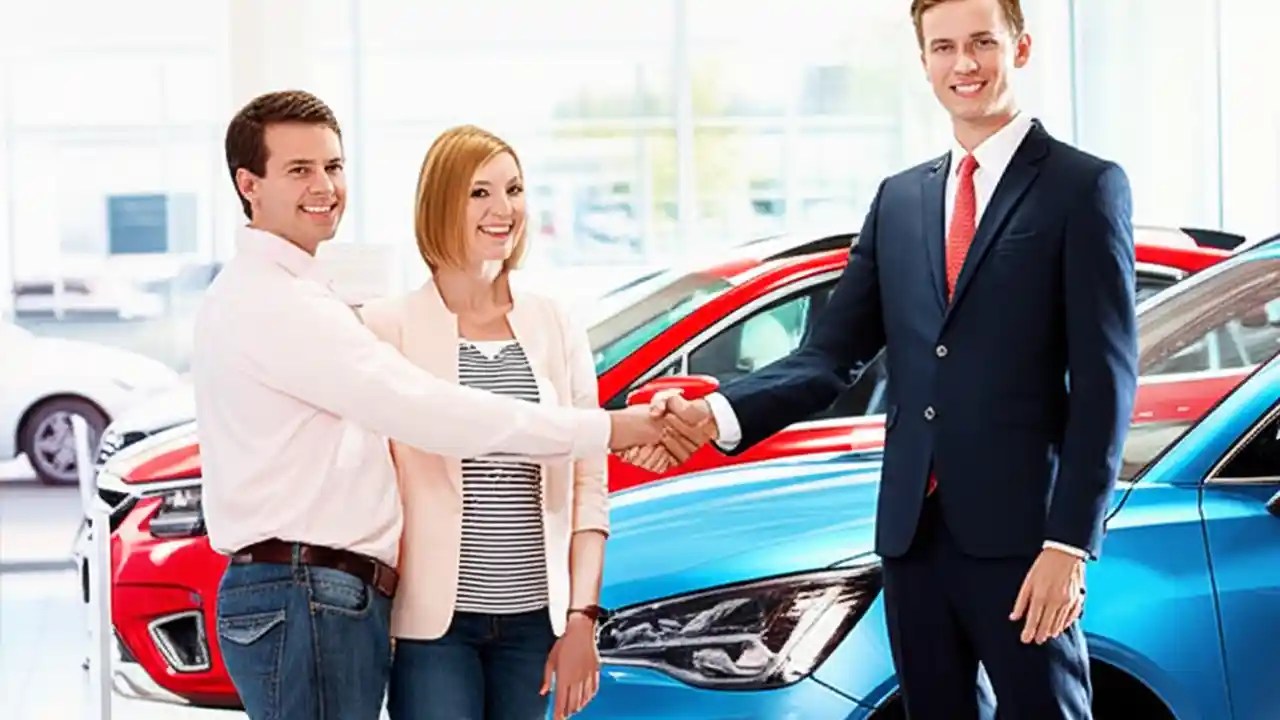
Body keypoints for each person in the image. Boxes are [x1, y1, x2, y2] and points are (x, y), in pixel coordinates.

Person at [634, 1, 1137, 717]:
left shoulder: (1082, 187)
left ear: (1020, 48)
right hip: (911, 536)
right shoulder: (900, 199)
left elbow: (1105, 381)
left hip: (1023, 539)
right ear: (924, 61)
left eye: (982, 43)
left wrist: (1069, 545)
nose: (963, 64)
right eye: (943, 48)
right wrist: (714, 411)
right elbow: (828, 355)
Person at [192, 91, 679, 720]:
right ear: (248, 184)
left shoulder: (301, 295)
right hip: (328, 595)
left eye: (333, 167)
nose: (324, 186)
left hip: (357, 595)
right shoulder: (297, 306)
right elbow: (430, 413)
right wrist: (615, 427)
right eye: (299, 170)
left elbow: (583, 484)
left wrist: (581, 609)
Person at [359, 125, 617, 720]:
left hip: (537, 623)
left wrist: (583, 618)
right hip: (431, 628)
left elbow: (588, 485)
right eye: (480, 192)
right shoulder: (386, 327)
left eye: (515, 189)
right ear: (441, 203)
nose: (504, 209)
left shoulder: (554, 323)